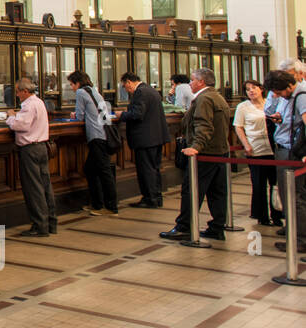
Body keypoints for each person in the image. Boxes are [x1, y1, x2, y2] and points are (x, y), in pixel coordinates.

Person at [162, 67, 231, 242]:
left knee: (192, 189)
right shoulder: (217, 96)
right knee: (217, 192)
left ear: (201, 82)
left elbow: (203, 125)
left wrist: (197, 146)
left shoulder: (205, 99)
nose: (190, 83)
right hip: (219, 152)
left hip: (206, 153)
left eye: (192, 80)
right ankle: (217, 226)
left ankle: (184, 226)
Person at [5, 77, 56, 236]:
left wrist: (11, 116)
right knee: (45, 185)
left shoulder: (28, 105)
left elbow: (21, 125)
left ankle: (40, 226)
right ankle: (51, 223)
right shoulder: (39, 102)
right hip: (41, 146)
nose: (17, 95)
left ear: (25, 91)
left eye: (18, 92)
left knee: (33, 188)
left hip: (29, 149)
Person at [264, 70, 306, 256]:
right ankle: (294, 233)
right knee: (288, 194)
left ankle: (300, 239)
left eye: (279, 92)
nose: (277, 95)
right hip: (283, 147)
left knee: (294, 196)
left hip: (292, 152)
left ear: (289, 86)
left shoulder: (301, 96)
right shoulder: (287, 96)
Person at [68, 70, 118, 215]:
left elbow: (79, 116)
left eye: (72, 84)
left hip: (96, 135)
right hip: (103, 133)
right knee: (90, 169)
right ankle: (97, 204)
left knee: (104, 171)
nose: (71, 87)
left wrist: (74, 115)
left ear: (77, 83)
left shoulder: (81, 93)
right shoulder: (94, 91)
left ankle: (111, 207)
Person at [233, 79, 281, 228]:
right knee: (259, 184)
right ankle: (262, 216)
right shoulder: (243, 107)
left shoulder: (270, 103)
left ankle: (277, 214)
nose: (251, 91)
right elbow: (238, 126)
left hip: (273, 148)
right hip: (255, 149)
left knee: (275, 183)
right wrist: (246, 144)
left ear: (261, 89)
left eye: (254, 88)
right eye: (248, 89)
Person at [119, 72, 168, 208]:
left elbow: (137, 114)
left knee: (146, 170)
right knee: (154, 168)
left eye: (125, 86)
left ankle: (149, 199)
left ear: (129, 82)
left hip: (146, 139)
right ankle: (156, 197)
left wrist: (121, 114)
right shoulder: (150, 90)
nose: (126, 89)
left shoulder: (141, 92)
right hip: (155, 137)